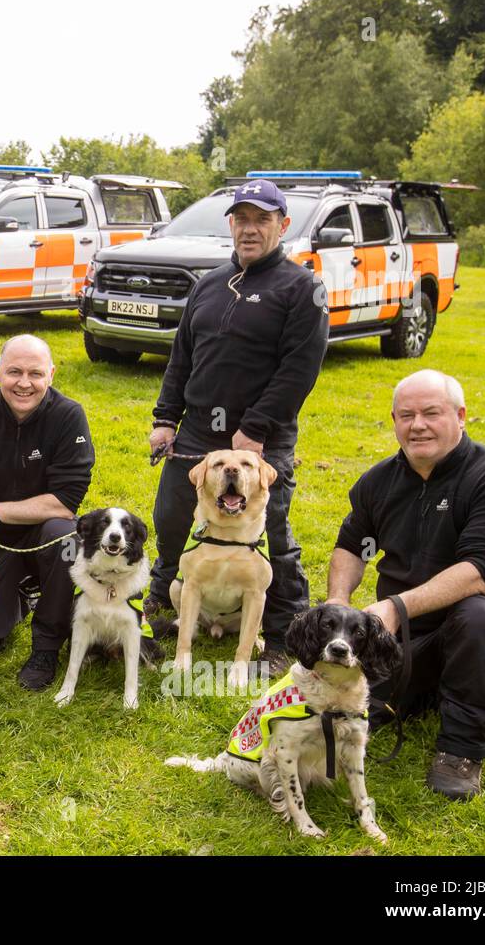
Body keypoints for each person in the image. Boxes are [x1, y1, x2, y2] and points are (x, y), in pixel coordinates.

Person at [146, 178, 329, 675]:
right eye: (242, 219)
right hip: (197, 433)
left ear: (282, 225)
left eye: (262, 219)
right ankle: (166, 610)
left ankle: (284, 633)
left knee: (269, 532)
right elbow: (181, 357)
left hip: (260, 439)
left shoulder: (301, 288)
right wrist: (166, 418)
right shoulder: (208, 284)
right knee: (172, 519)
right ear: (230, 223)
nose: (250, 229)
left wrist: (256, 428)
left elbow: (299, 368)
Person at [328, 370, 485, 799]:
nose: (417, 424)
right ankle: (415, 695)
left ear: (460, 416)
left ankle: (461, 750)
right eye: (406, 415)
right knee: (344, 712)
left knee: (477, 616)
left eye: (431, 413)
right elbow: (353, 546)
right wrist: (337, 604)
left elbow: (481, 569)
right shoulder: (378, 481)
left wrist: (395, 607)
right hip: (400, 642)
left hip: (479, 636)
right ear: (394, 420)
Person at [0, 334, 95, 691]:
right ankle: (19, 598)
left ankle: (46, 647)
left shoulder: (69, 416)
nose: (24, 383)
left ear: (51, 375)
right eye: (14, 372)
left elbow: (64, 503)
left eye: (35, 373)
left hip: (47, 539)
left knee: (63, 535)